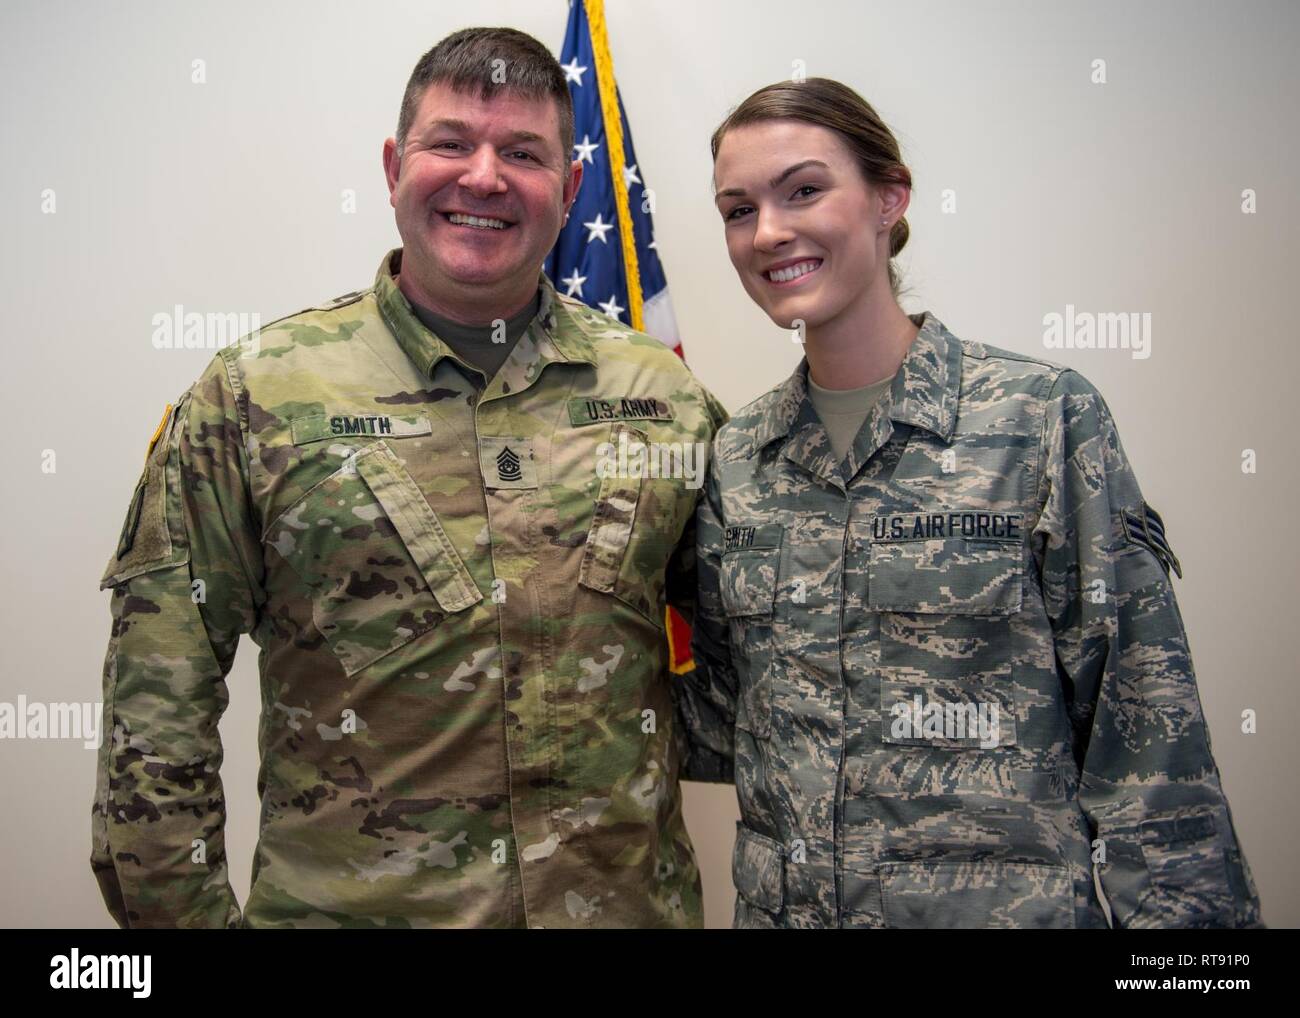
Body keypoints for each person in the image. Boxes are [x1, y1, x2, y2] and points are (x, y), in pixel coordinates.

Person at [92, 26, 726, 929]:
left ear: (571, 186)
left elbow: (756, 655)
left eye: (522, 152)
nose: (483, 176)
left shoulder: (662, 398)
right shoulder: (257, 394)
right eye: (451, 142)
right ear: (395, 167)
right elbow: (159, 698)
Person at [675, 77, 1263, 929]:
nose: (769, 231)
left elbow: (1147, 733)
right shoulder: (740, 457)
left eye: (804, 190)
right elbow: (732, 714)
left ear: (889, 197)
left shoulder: (1040, 418)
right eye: (738, 209)